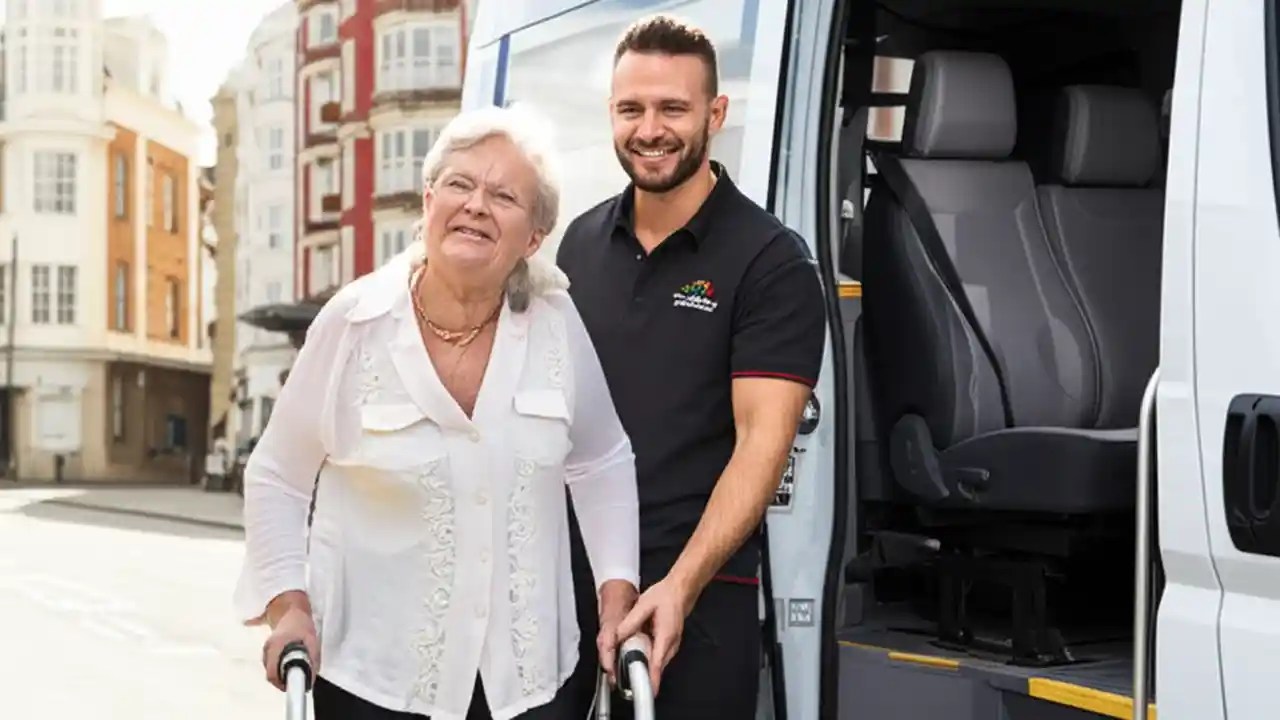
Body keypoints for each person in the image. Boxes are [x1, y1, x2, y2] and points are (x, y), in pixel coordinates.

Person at [234, 104, 643, 720]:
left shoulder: (556, 324)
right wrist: (288, 605)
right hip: (376, 683)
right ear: (428, 203)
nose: (476, 204)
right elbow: (278, 477)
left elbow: (601, 461)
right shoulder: (354, 323)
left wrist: (618, 593)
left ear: (533, 237)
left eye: (504, 195)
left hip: (528, 687)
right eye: (459, 184)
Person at [556, 14, 827, 719]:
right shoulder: (577, 247)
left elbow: (760, 451)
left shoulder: (772, 261)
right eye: (631, 109)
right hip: (568, 591)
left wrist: (677, 586)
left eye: (673, 108)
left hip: (699, 600)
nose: (650, 129)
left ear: (716, 113)